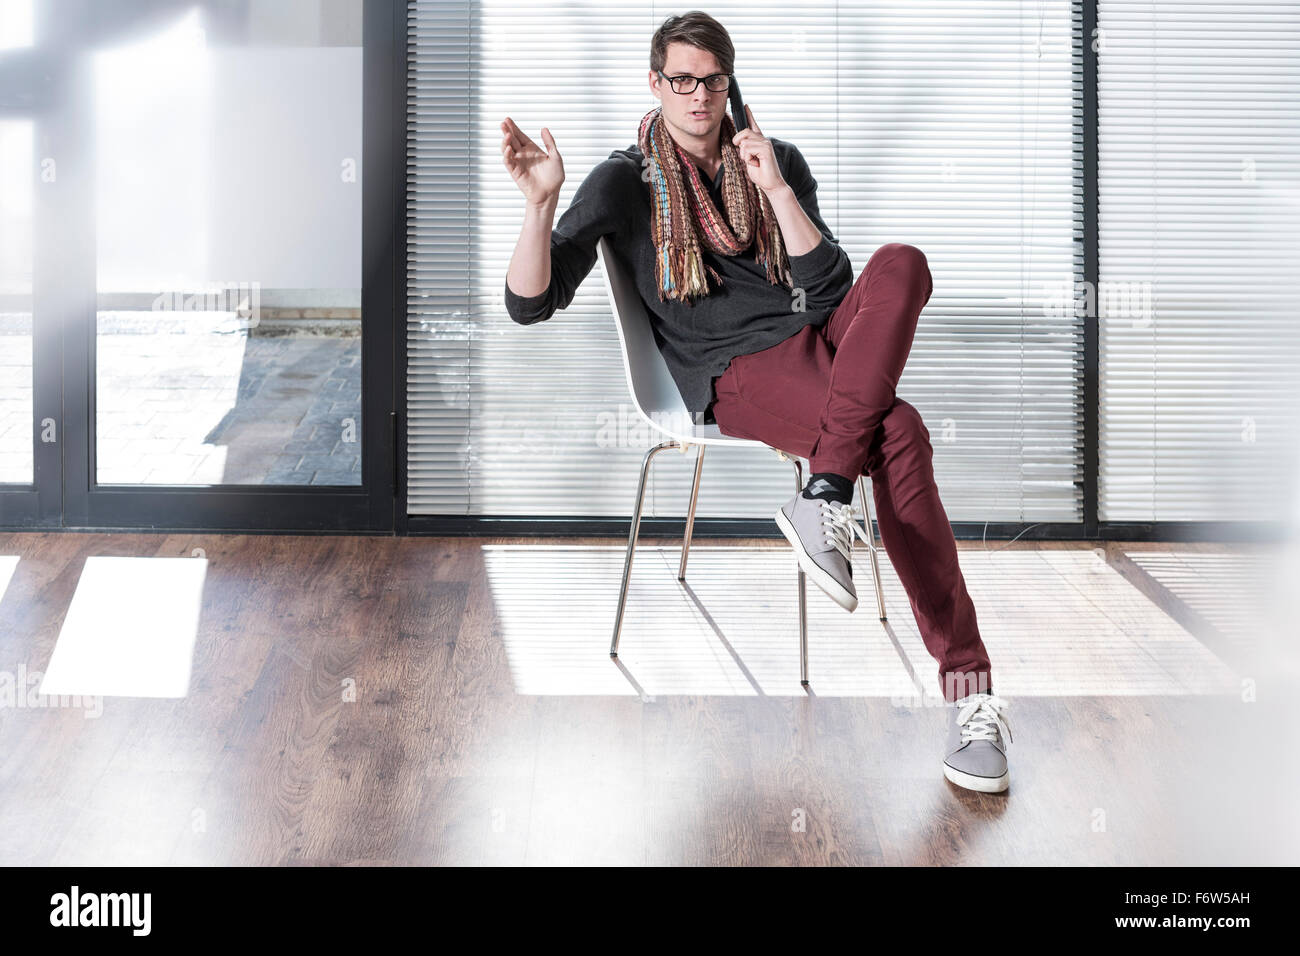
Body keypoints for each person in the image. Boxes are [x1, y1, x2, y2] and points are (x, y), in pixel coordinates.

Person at [499, 11, 1011, 793]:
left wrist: (772, 184)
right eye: (680, 79)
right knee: (898, 429)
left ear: (728, 83)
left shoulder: (775, 157)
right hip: (732, 371)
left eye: (711, 80)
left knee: (904, 263)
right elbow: (529, 306)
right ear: (655, 83)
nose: (697, 96)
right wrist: (539, 203)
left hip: (818, 342)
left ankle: (826, 490)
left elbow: (830, 291)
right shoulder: (621, 182)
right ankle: (970, 691)